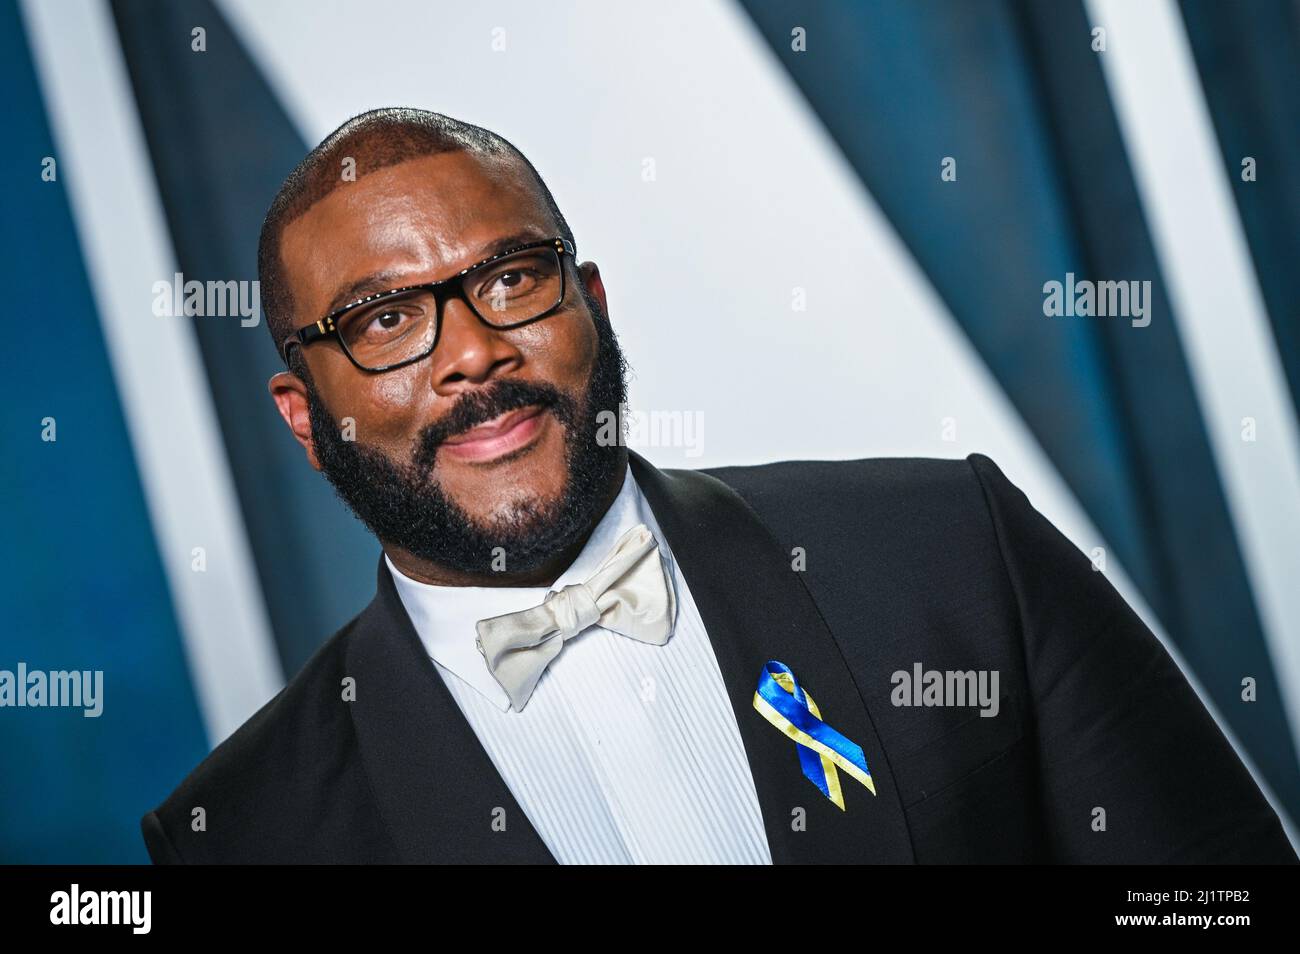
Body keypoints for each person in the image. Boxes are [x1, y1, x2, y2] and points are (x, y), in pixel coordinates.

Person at [140, 107, 1297, 864]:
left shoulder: (954, 549)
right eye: (384, 320)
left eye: (511, 279)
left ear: (590, 302)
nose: (470, 355)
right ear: (304, 415)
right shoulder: (243, 833)